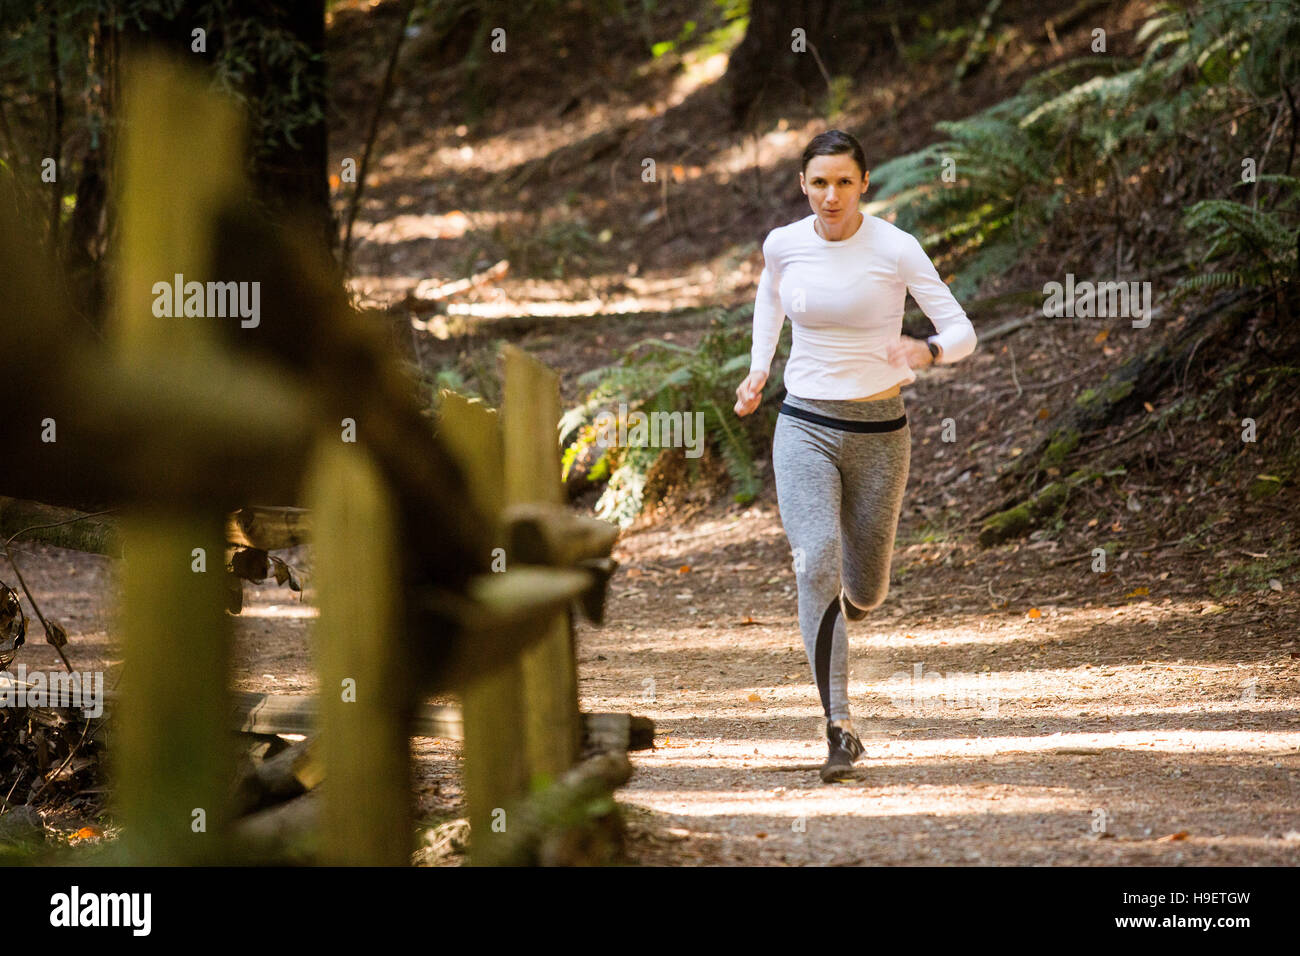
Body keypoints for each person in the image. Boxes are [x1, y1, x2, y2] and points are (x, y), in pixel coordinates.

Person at [734, 129, 978, 783]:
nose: (831, 195)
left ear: (864, 182)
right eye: (819, 182)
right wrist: (760, 369)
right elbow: (769, 295)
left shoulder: (896, 248)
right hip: (803, 424)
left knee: (864, 589)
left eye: (844, 181)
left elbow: (961, 331)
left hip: (880, 432)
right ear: (803, 186)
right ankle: (839, 727)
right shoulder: (784, 244)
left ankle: (850, 610)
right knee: (816, 564)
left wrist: (926, 351)